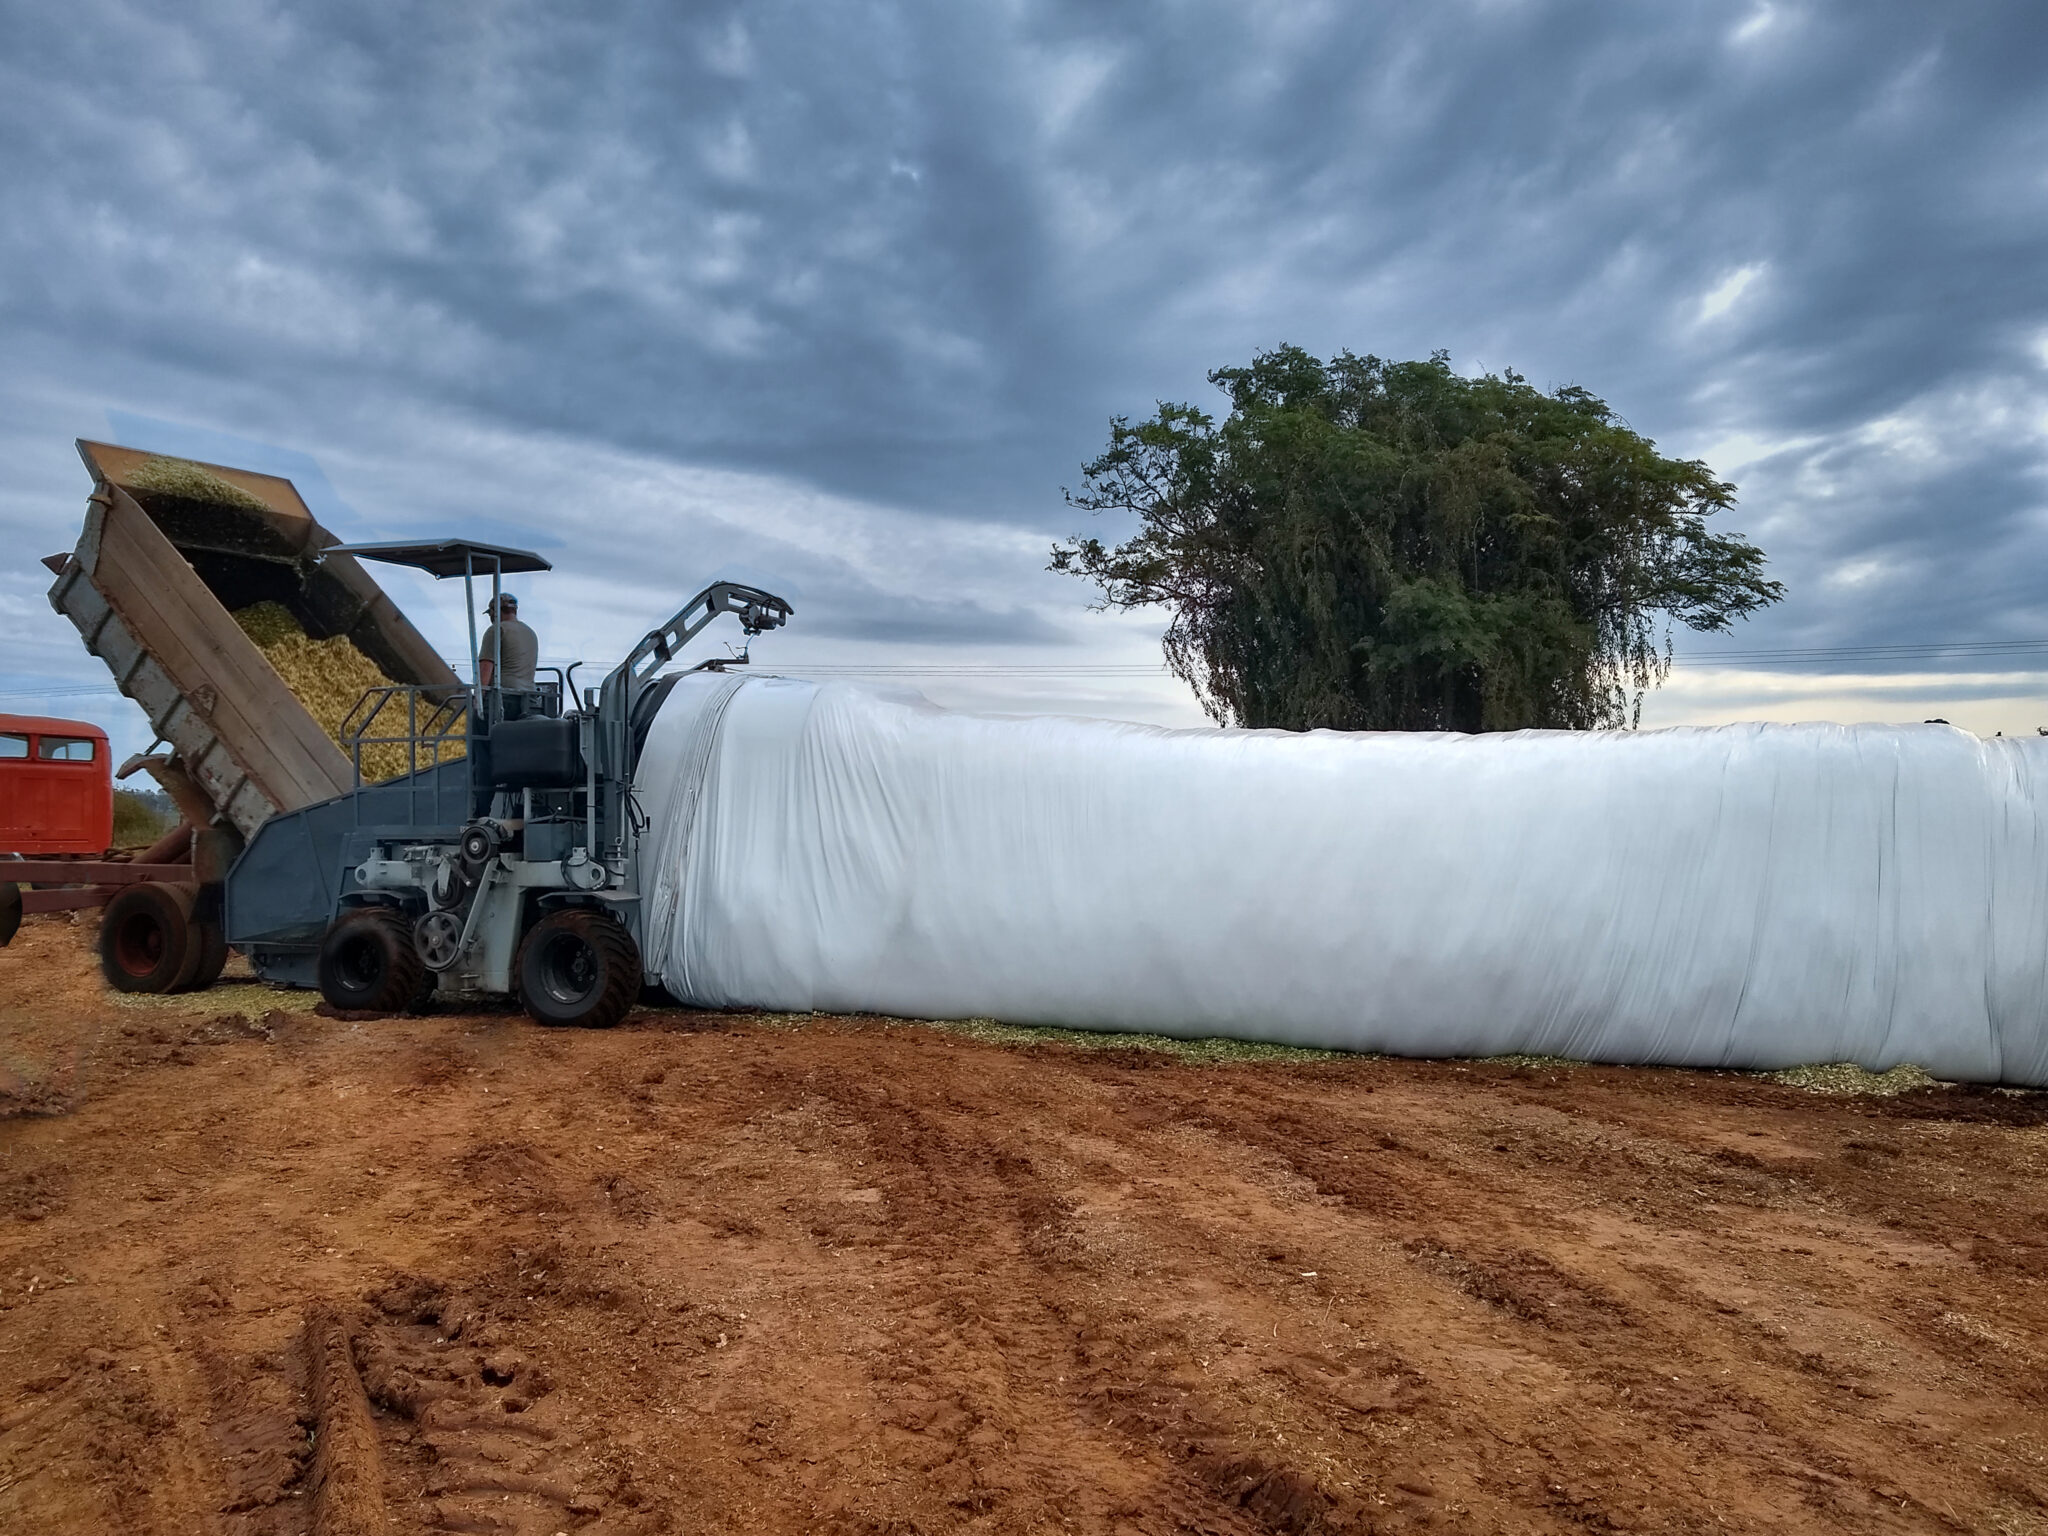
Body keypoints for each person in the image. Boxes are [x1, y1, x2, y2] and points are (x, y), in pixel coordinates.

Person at [477, 593, 539, 721]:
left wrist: (477, 699)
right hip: (530, 700)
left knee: (471, 725)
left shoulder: (496, 630)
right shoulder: (530, 632)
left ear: (495, 612)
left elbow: (485, 669)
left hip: (504, 699)